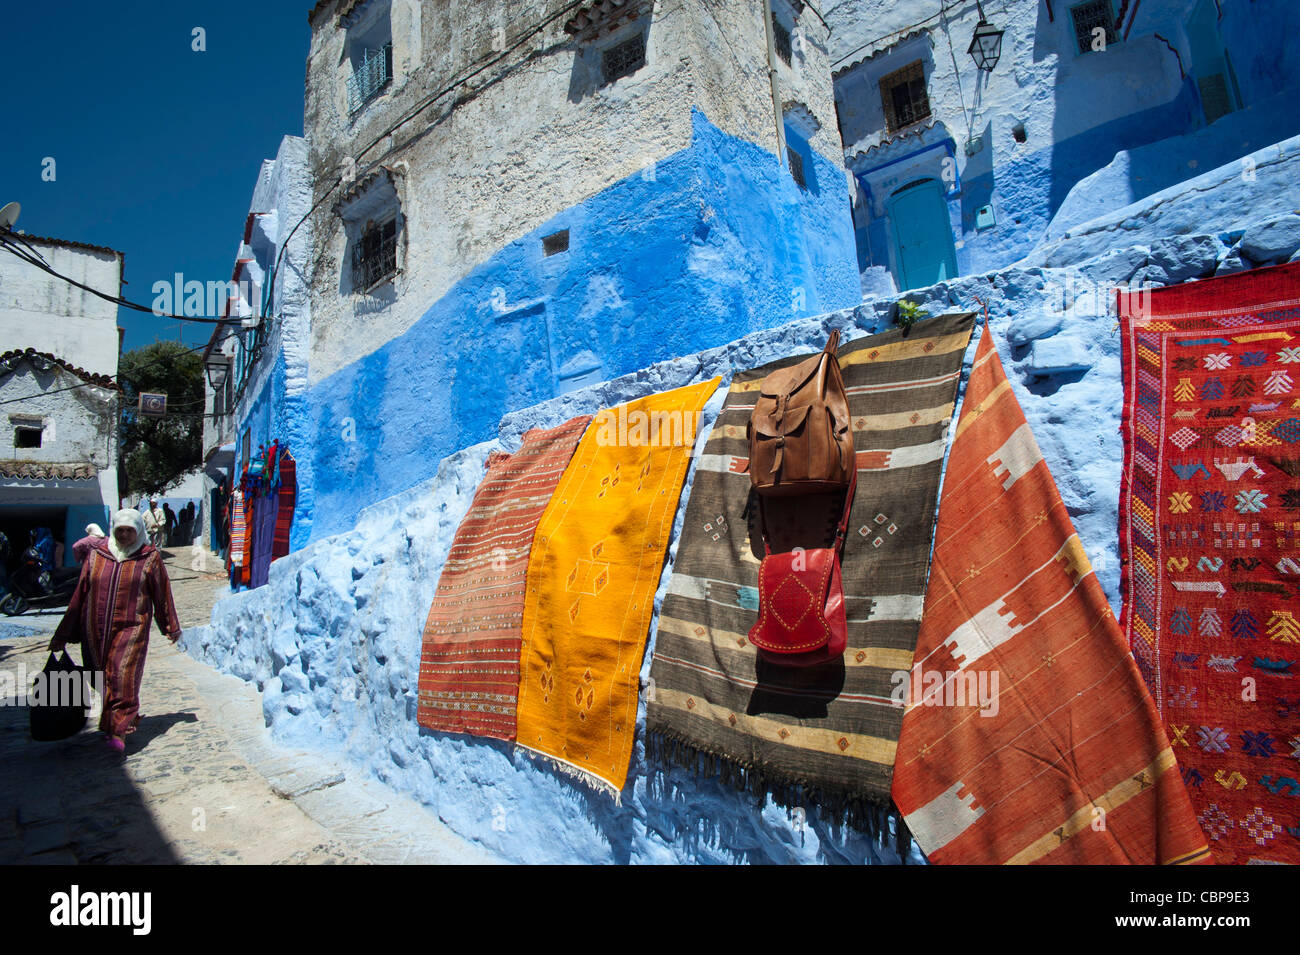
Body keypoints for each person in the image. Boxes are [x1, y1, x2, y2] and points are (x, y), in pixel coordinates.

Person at [49, 509, 182, 753]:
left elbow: (162, 593)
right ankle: (111, 722)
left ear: (138, 531)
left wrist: (170, 626)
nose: (123, 535)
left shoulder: (149, 558)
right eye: (120, 530)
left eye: (129, 530)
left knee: (123, 675)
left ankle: (119, 729)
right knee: (99, 675)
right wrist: (63, 634)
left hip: (132, 628)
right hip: (94, 628)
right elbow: (80, 593)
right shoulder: (97, 555)